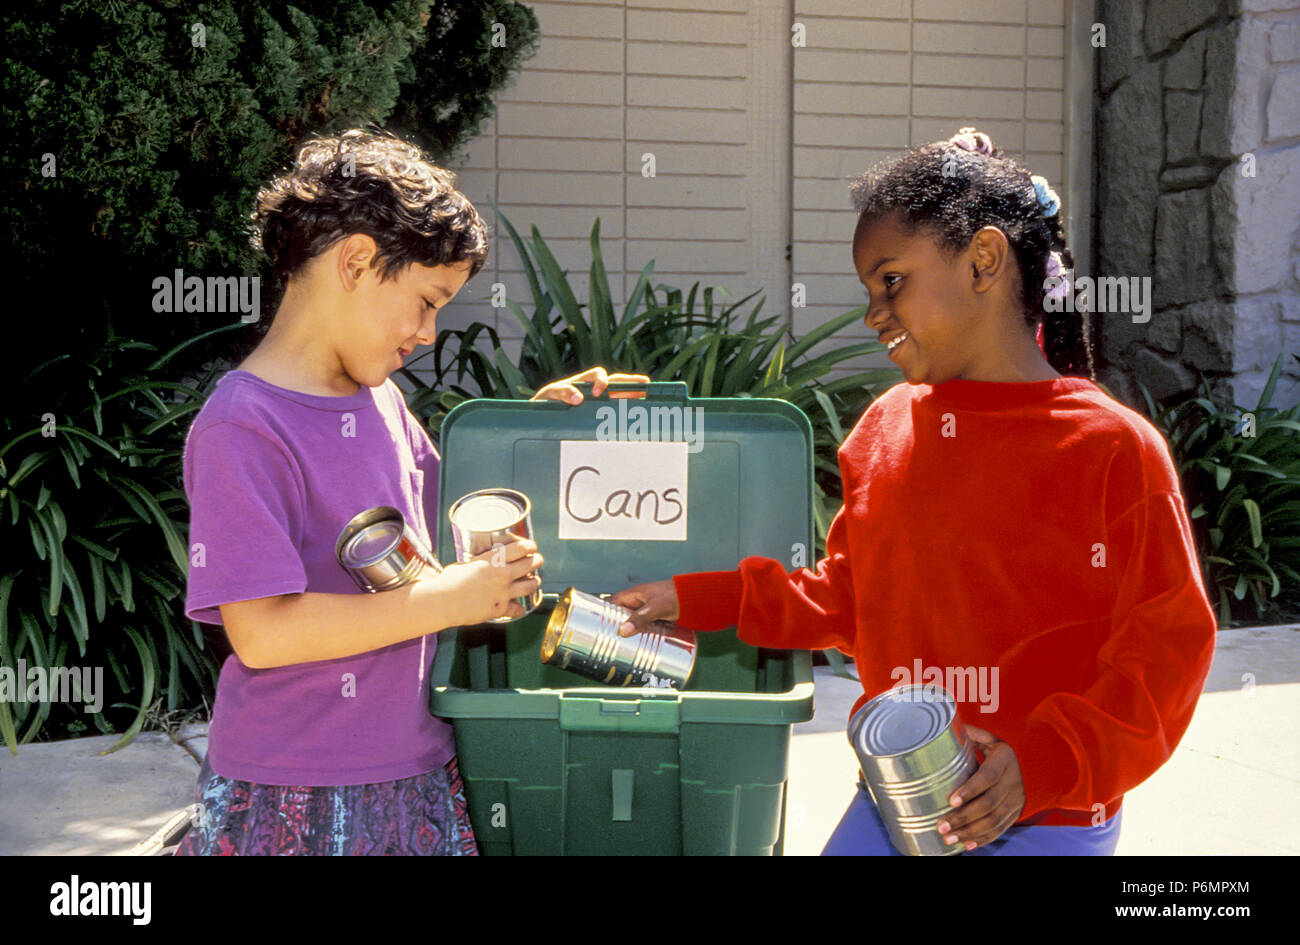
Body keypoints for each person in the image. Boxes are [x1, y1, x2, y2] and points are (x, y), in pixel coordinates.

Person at [611, 127, 1218, 856]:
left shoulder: (1113, 449)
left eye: (891, 279)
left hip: (1044, 822)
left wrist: (1046, 761)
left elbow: (1167, 654)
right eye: (868, 289)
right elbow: (847, 594)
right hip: (892, 805)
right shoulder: (884, 427)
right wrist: (695, 597)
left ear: (984, 260)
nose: (873, 313)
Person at [176, 129, 646, 855]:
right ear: (356, 261)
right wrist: (452, 599)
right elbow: (263, 632)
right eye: (426, 302)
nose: (429, 333)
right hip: (294, 788)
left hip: (415, 765)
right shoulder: (243, 425)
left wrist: (532, 431)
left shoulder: (381, 402)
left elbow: (455, 519)